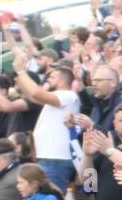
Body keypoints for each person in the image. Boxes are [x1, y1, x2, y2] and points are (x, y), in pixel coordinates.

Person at [14, 57, 80, 190]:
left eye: (52, 77)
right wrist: (20, 77)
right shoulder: (58, 97)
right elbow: (32, 96)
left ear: (62, 81)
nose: (48, 79)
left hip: (56, 160)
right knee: (45, 199)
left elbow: (37, 94)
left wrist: (22, 72)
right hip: (48, 158)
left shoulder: (68, 95)